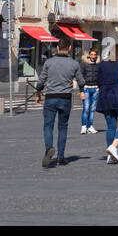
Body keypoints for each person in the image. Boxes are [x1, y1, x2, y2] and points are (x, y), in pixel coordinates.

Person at [36, 40, 84, 168]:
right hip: (65, 98)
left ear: (57, 47)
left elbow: (41, 80)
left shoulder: (49, 62)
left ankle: (48, 149)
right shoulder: (74, 63)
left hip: (51, 97)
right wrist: (82, 91)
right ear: (69, 48)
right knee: (63, 127)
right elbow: (81, 81)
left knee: (48, 126)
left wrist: (38, 91)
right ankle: (61, 157)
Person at [80, 47, 101, 134]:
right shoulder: (84, 64)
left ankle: (90, 126)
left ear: (96, 55)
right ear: (89, 55)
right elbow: (80, 77)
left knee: (92, 109)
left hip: (95, 88)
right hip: (86, 88)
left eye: (94, 55)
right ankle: (84, 126)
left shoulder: (99, 64)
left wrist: (99, 86)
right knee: (86, 108)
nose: (93, 56)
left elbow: (101, 76)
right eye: (91, 54)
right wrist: (81, 90)